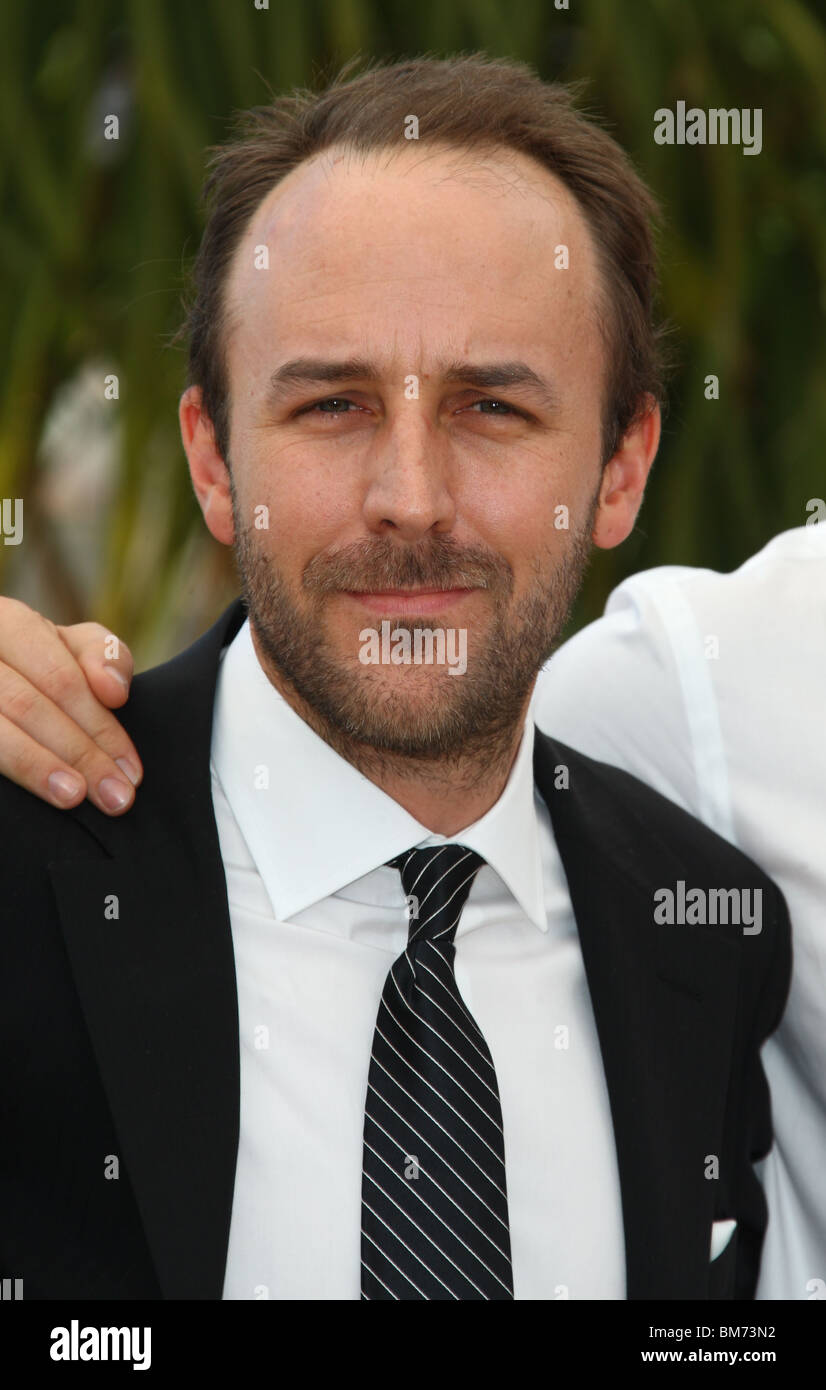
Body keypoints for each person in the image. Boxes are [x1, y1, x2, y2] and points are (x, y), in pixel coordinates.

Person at [0, 54, 790, 1300]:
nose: (410, 500)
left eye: (489, 406)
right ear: (212, 459)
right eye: (332, 406)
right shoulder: (24, 859)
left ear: (622, 468)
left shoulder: (705, 936)